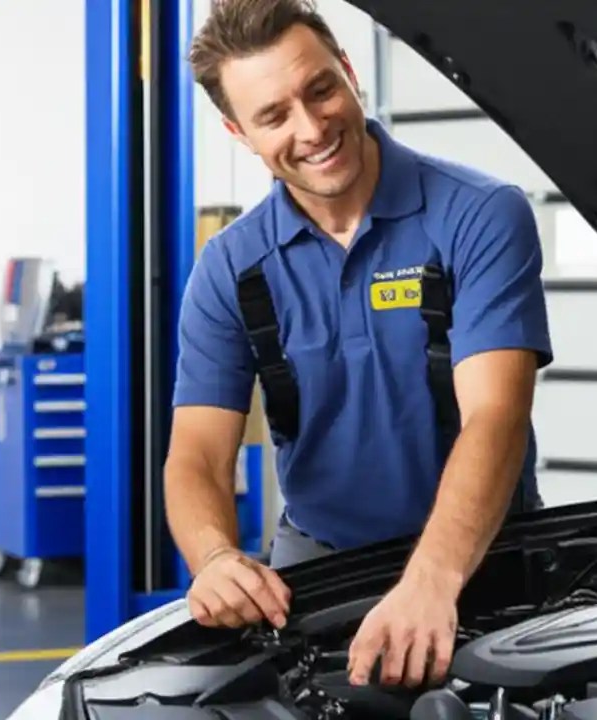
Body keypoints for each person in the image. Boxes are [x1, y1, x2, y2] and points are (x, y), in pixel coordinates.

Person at [166, 0, 552, 690]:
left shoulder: (478, 214)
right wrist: (217, 558)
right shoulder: (229, 267)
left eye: (319, 90)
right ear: (238, 132)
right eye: (273, 116)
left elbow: (496, 416)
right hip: (318, 564)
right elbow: (196, 453)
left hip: (484, 557)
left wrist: (432, 579)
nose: (313, 129)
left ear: (347, 71)